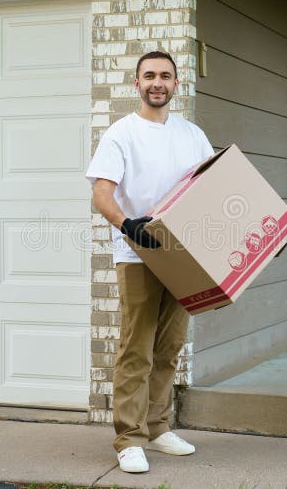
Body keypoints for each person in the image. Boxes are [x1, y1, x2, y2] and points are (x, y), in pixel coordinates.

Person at [85, 51, 214, 473]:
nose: (157, 82)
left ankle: (157, 429)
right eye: (149, 75)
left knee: (169, 345)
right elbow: (102, 194)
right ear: (137, 83)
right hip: (137, 253)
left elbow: (211, 189)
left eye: (165, 75)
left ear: (177, 84)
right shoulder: (121, 134)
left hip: (183, 256)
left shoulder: (192, 134)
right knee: (136, 346)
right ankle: (128, 437)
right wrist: (128, 225)